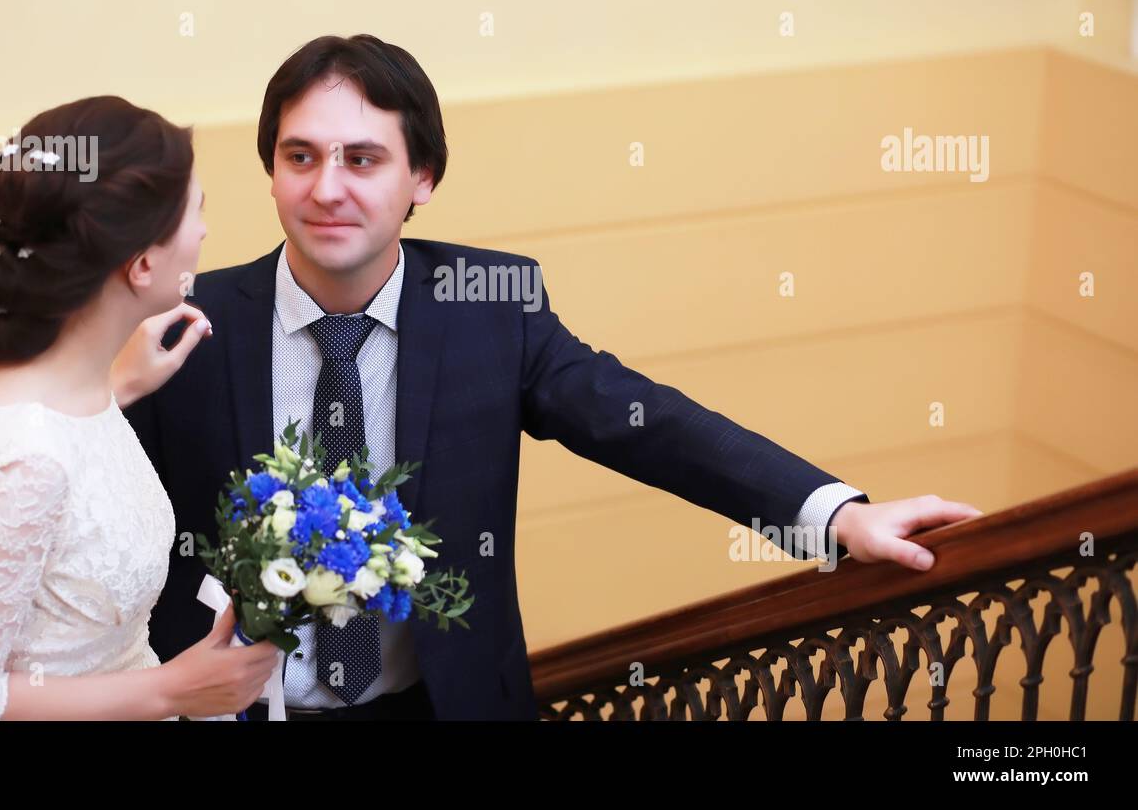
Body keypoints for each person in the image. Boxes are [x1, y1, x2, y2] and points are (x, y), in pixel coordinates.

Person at [113, 35, 983, 720]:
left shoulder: (490, 308)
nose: (326, 188)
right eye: (300, 157)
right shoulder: (188, 327)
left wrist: (835, 514)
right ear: (270, 171)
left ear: (423, 177)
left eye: (363, 159)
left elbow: (647, 423)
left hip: (437, 707)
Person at [0, 95, 281, 720]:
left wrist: (120, 386)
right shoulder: (25, 462)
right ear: (144, 263)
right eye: (195, 211)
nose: (206, 230)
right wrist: (173, 690)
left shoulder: (59, 390)